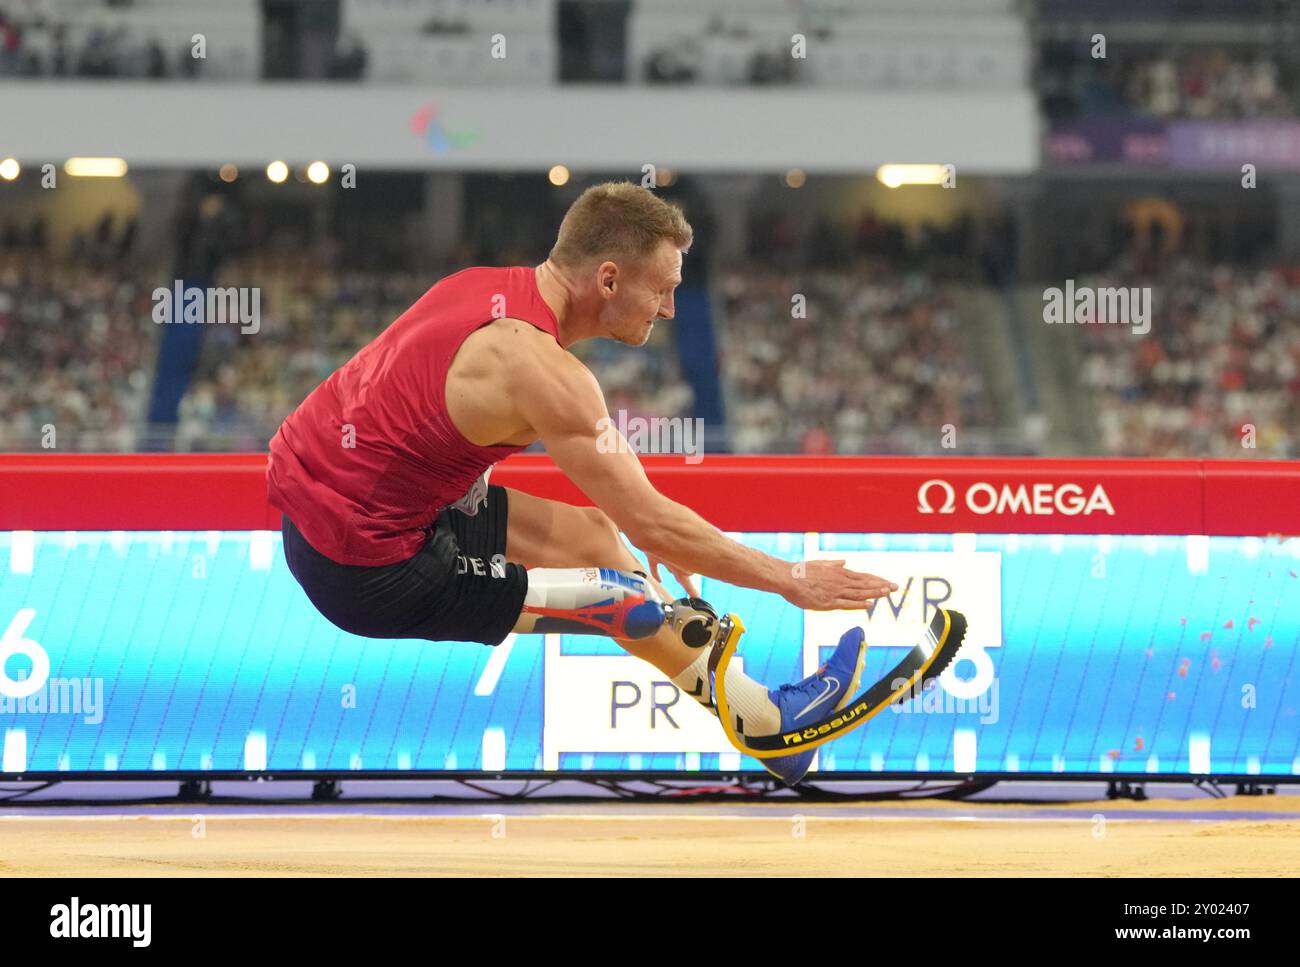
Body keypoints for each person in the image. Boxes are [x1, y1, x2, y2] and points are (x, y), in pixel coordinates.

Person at [267, 182, 897, 785]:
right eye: (663, 289)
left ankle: (769, 728)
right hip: (364, 568)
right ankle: (765, 720)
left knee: (597, 535)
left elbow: (408, 409)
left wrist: (646, 521)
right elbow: (648, 516)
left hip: (352, 510)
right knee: (626, 601)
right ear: (609, 279)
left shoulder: (481, 290)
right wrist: (789, 579)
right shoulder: (540, 369)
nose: (672, 308)